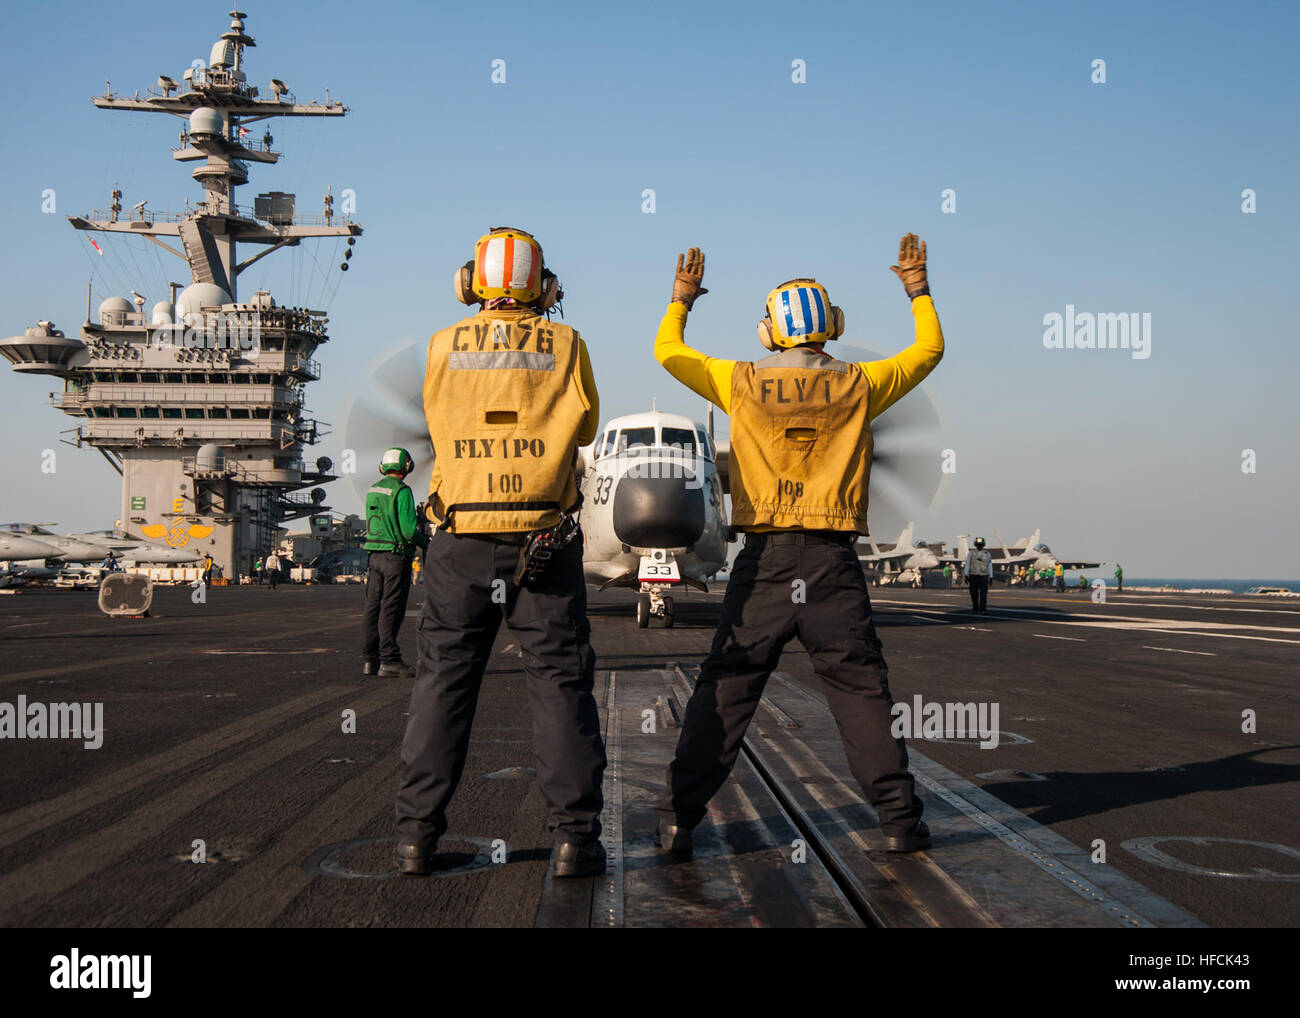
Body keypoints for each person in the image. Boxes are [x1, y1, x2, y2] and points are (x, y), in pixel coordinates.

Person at [652, 235, 942, 856]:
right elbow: (929, 350)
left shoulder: (742, 380)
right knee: (860, 690)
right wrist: (917, 290)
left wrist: (682, 299)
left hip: (765, 561)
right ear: (832, 326)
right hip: (833, 561)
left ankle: (679, 817)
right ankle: (898, 819)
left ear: (768, 332)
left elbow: (667, 351)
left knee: (726, 688)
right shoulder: (861, 382)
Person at [395, 226, 606, 879]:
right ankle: (575, 840)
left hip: (459, 540)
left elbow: (434, 418)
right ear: (542, 288)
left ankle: (415, 839)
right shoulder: (567, 343)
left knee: (444, 680)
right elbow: (588, 424)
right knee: (559, 682)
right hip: (541, 539)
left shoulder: (440, 346)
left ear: (470, 284)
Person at [361, 447, 427, 677]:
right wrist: (427, 541)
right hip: (395, 557)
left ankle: (370, 659)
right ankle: (389, 660)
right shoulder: (402, 491)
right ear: (406, 466)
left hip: (374, 557)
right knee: (391, 609)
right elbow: (409, 532)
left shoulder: (373, 490)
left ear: (383, 467)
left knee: (372, 607)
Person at [965, 536, 992, 614]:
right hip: (973, 575)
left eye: (981, 545)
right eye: (978, 544)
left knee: (983, 594)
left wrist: (991, 576)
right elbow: (967, 564)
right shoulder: (971, 553)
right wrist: (966, 575)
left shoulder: (987, 554)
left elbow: (989, 565)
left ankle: (983, 609)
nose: (979, 546)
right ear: (975, 545)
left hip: (984, 576)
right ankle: (975, 607)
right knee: (974, 593)